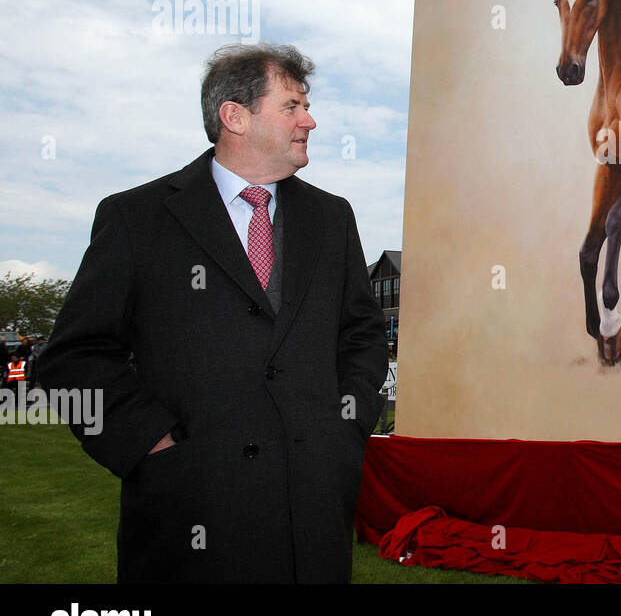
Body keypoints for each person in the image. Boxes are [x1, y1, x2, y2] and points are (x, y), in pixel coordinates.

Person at [38, 44, 388, 583]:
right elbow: (73, 359)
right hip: (191, 515)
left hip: (313, 515)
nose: (310, 121)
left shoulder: (332, 218)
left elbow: (361, 333)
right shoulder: (137, 218)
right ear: (235, 116)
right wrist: (150, 443)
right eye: (292, 106)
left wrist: (347, 424)